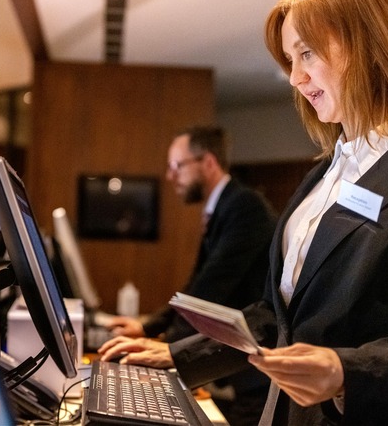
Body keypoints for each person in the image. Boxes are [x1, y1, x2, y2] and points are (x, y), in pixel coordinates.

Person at [99, 0, 388, 425]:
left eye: (306, 53)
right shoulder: (323, 175)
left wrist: (344, 372)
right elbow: (278, 315)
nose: (295, 77)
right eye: (290, 60)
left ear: (368, 41)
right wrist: (181, 355)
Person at [105, 125, 277, 424]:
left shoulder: (244, 207)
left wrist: (167, 349)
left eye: (177, 166)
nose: (171, 176)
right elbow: (196, 284)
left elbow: (211, 288)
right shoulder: (223, 205)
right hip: (239, 364)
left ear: (208, 163)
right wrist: (147, 328)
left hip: (256, 370)